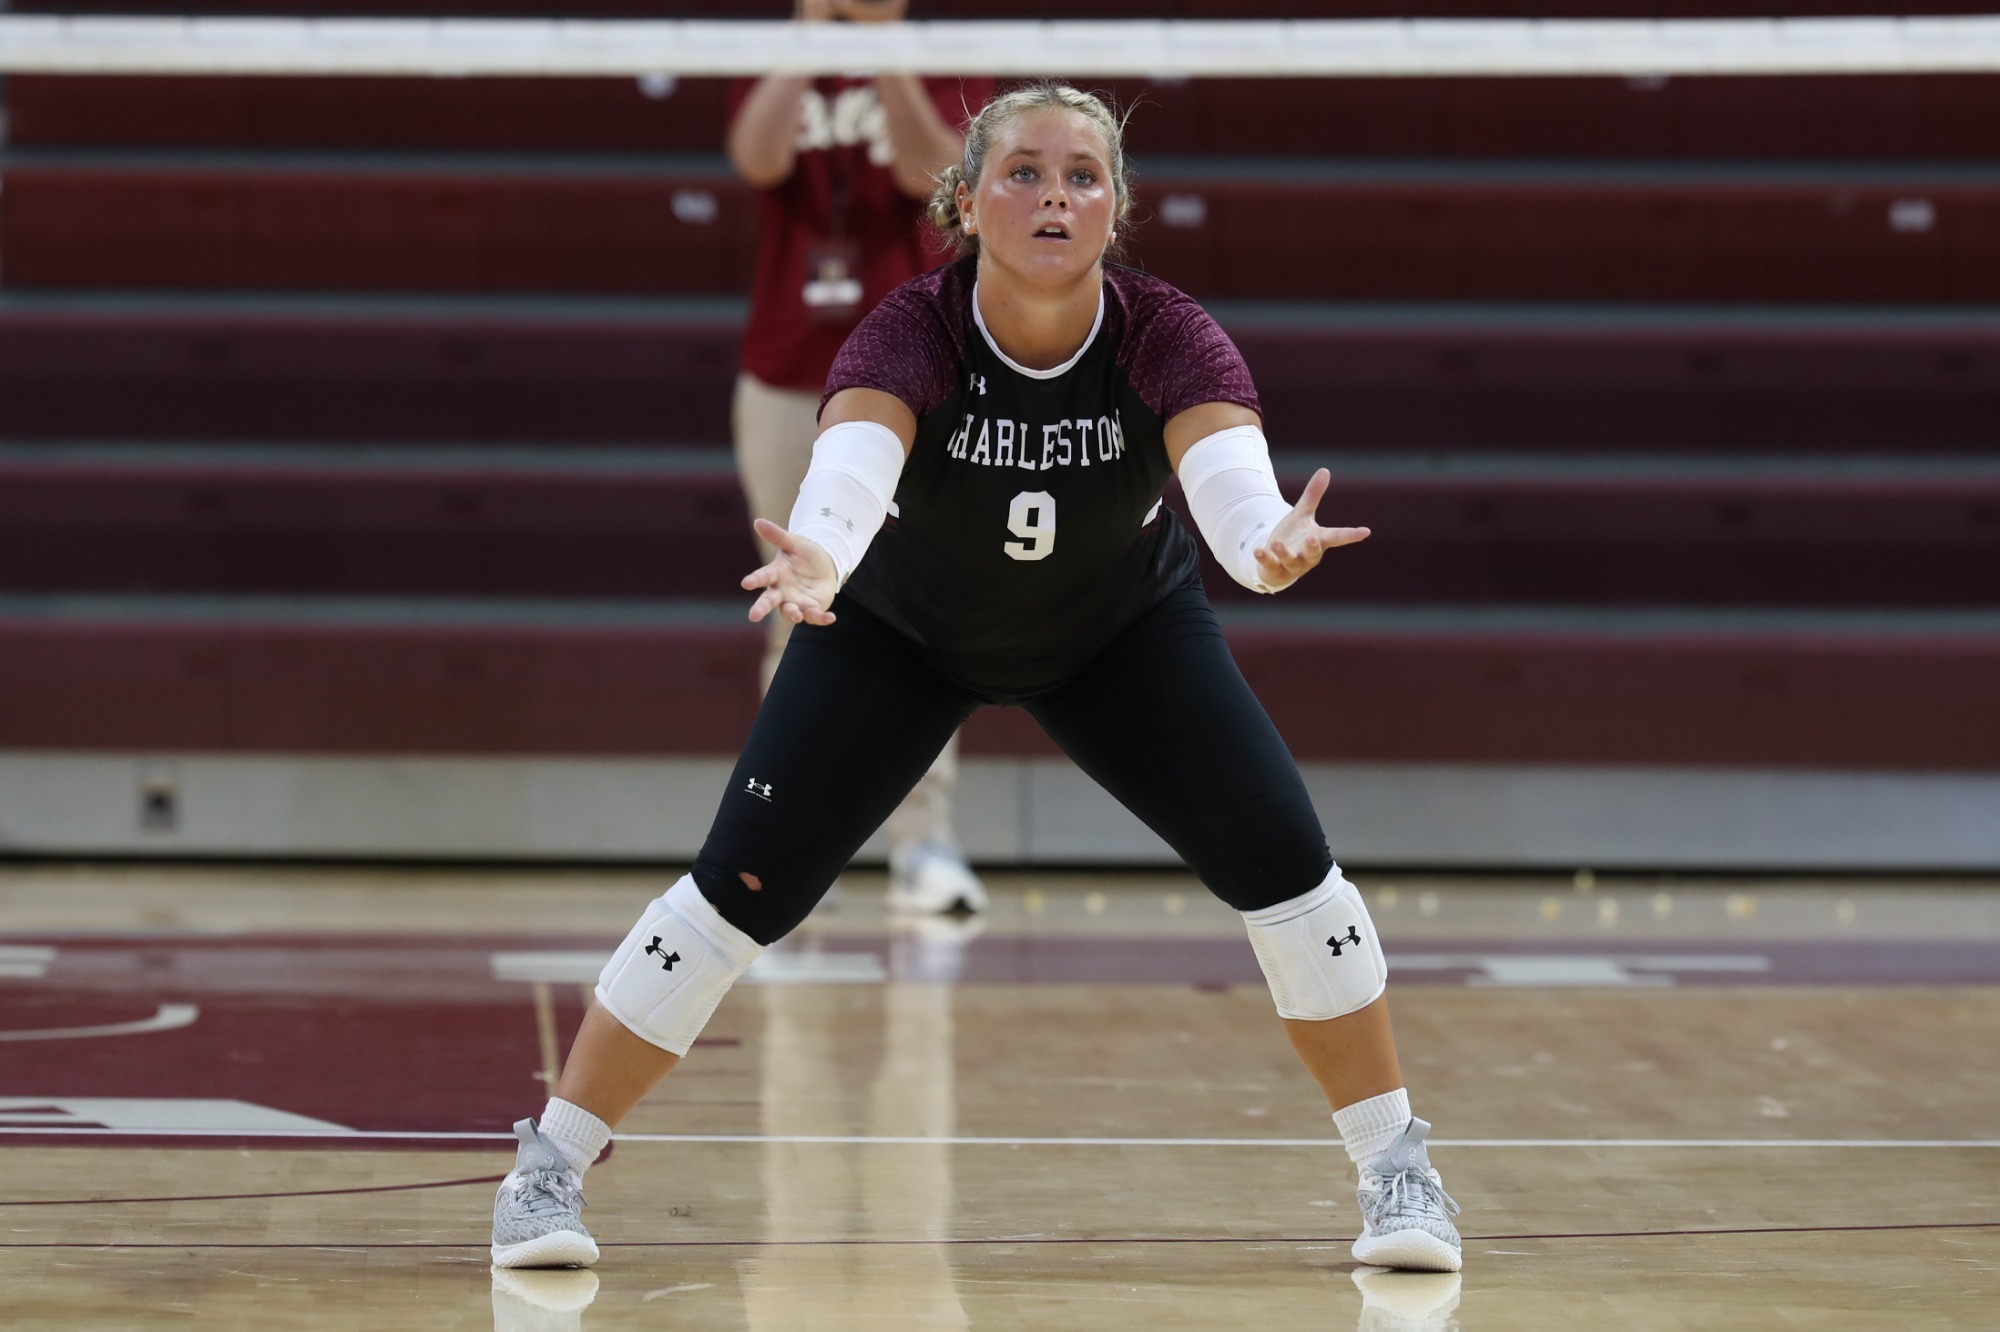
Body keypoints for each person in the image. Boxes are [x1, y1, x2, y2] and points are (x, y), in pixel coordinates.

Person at [490, 83, 1463, 1276]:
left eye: (1081, 177)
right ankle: (546, 1169)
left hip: (1116, 632)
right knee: (740, 882)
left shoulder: (1166, 333)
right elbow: (848, 473)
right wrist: (818, 554)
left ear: (1115, 207)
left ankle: (1395, 1171)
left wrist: (1268, 546)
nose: (1055, 196)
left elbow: (1232, 497)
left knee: (1284, 863)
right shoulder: (909, 331)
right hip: (899, 632)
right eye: (1023, 173)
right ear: (963, 200)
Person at [727, 0, 991, 915]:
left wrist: (881, 46)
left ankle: (923, 844)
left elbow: (940, 175)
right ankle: (784, 844)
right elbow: (757, 157)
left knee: (924, 611)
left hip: (910, 371)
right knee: (794, 602)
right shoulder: (774, 45)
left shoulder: (947, 52)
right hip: (786, 370)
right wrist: (812, 37)